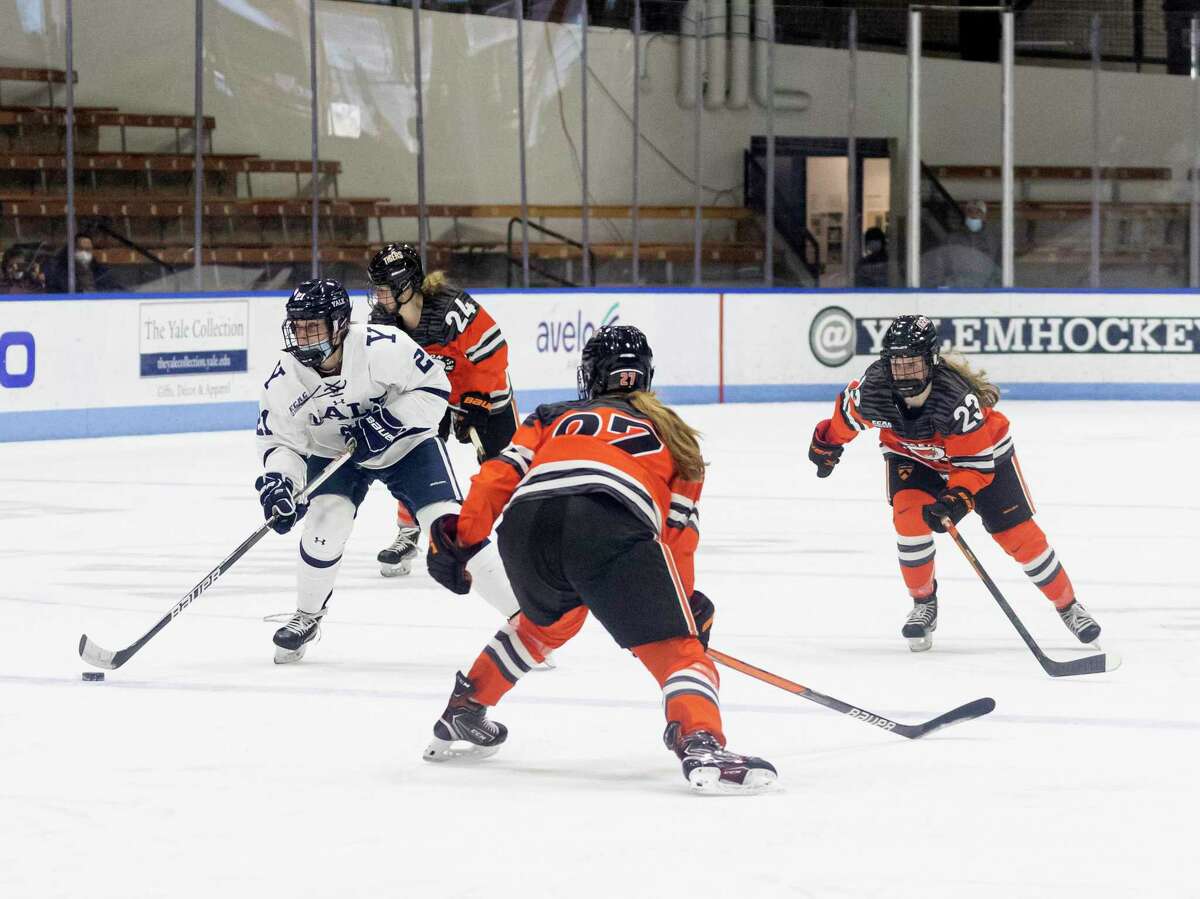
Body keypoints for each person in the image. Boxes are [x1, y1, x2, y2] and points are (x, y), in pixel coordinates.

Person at [418, 325, 776, 793]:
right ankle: (699, 740)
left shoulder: (553, 414)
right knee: (678, 652)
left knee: (546, 624)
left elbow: (498, 475)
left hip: (527, 527)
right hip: (608, 523)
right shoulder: (677, 436)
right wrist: (681, 608)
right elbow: (677, 535)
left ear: (591, 375)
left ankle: (465, 709)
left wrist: (463, 539)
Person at [254, 278, 520, 663]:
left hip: (406, 446)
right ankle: (307, 615)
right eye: (297, 326)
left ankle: (524, 620)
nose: (303, 336)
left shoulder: (384, 346)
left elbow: (435, 389)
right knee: (325, 525)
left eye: (313, 326)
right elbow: (281, 441)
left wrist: (388, 422)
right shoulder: (285, 377)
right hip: (334, 453)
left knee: (451, 529)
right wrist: (282, 483)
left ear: (339, 324)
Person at [807, 314, 1101, 652]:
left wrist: (957, 498)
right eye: (897, 364)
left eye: (912, 364)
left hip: (984, 457)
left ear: (931, 361)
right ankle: (923, 603)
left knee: (1018, 536)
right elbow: (845, 419)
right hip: (913, 456)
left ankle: (1068, 605)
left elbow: (975, 468)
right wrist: (827, 443)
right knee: (908, 517)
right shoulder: (873, 389)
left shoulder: (955, 399)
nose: (904, 372)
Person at [365, 243, 519, 577]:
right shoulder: (383, 322)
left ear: (406, 286)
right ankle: (408, 533)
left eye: (384, 287)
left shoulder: (452, 309)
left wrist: (477, 401)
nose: (378, 296)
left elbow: (494, 353)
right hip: (432, 395)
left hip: (484, 390)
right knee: (412, 454)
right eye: (376, 288)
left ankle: (522, 533)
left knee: (505, 467)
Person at [43, 234, 118, 293]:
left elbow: (114, 288)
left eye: (88, 249)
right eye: (81, 249)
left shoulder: (100, 271)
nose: (84, 253)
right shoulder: (59, 270)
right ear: (72, 250)